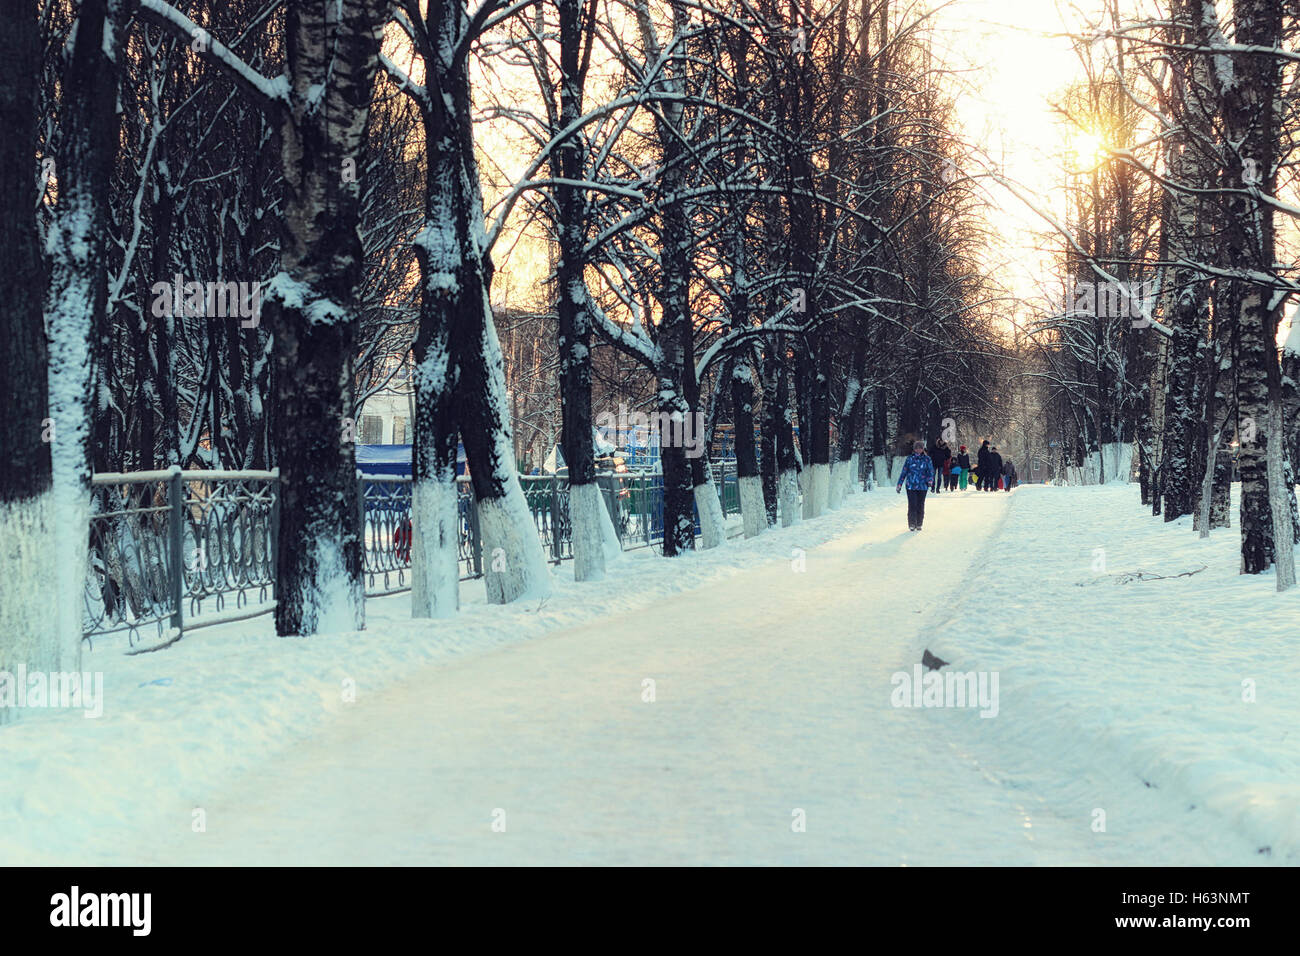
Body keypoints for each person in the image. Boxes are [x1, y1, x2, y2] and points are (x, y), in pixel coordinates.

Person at [896, 440, 935, 531]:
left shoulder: (927, 459)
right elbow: (904, 472)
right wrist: (899, 484)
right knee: (912, 504)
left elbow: (931, 471)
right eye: (916, 448)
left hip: (922, 486)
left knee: (920, 505)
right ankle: (912, 523)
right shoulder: (910, 459)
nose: (918, 450)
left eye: (920, 448)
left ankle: (919, 523)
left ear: (923, 449)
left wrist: (930, 481)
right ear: (914, 449)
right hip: (911, 486)